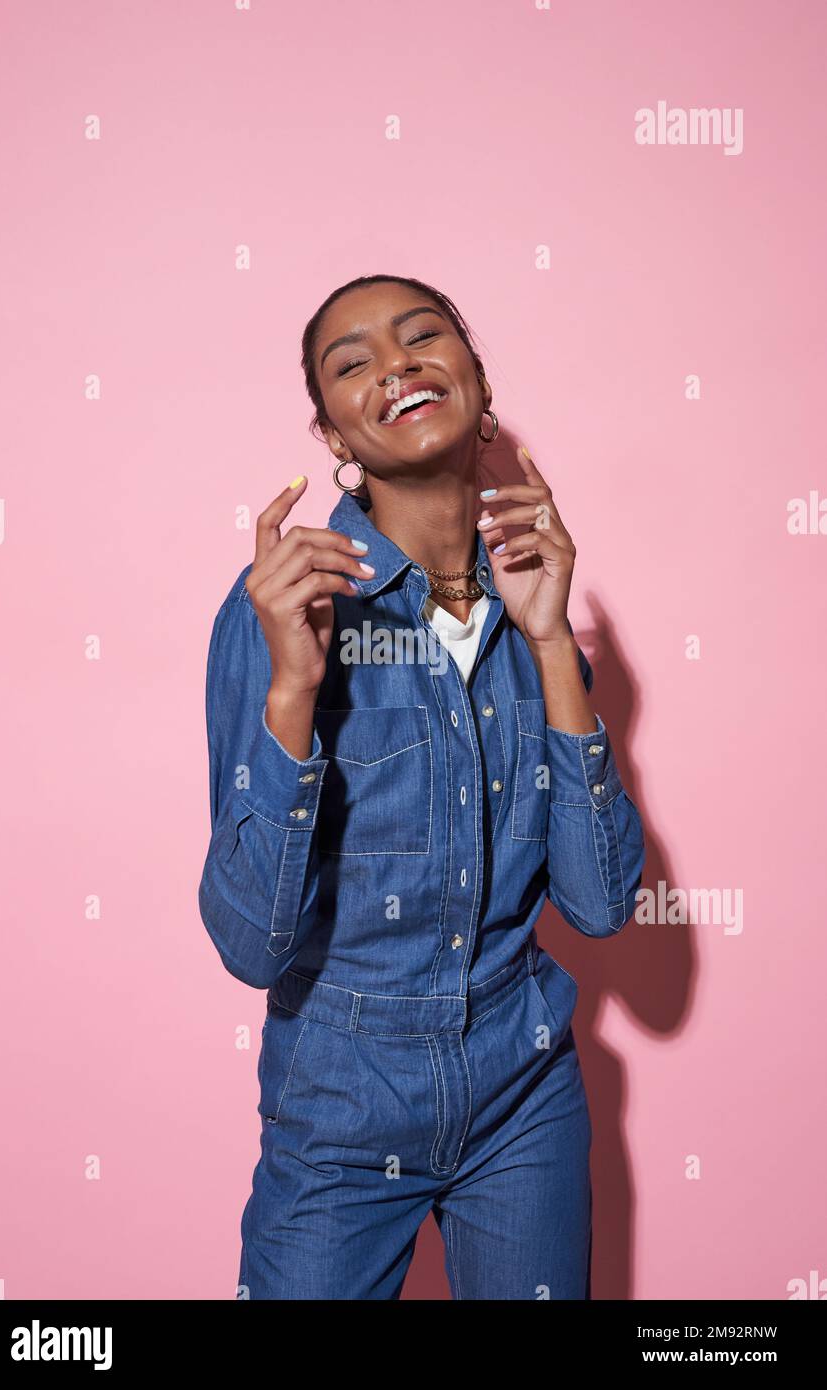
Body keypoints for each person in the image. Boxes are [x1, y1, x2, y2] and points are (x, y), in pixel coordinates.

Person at [198, 274, 645, 1300]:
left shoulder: (530, 606)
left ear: (477, 384)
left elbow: (596, 901)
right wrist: (295, 690)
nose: (393, 366)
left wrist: (545, 638)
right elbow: (247, 942)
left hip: (521, 1079)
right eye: (351, 362)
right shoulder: (285, 608)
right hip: (341, 1092)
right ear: (333, 438)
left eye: (419, 337)